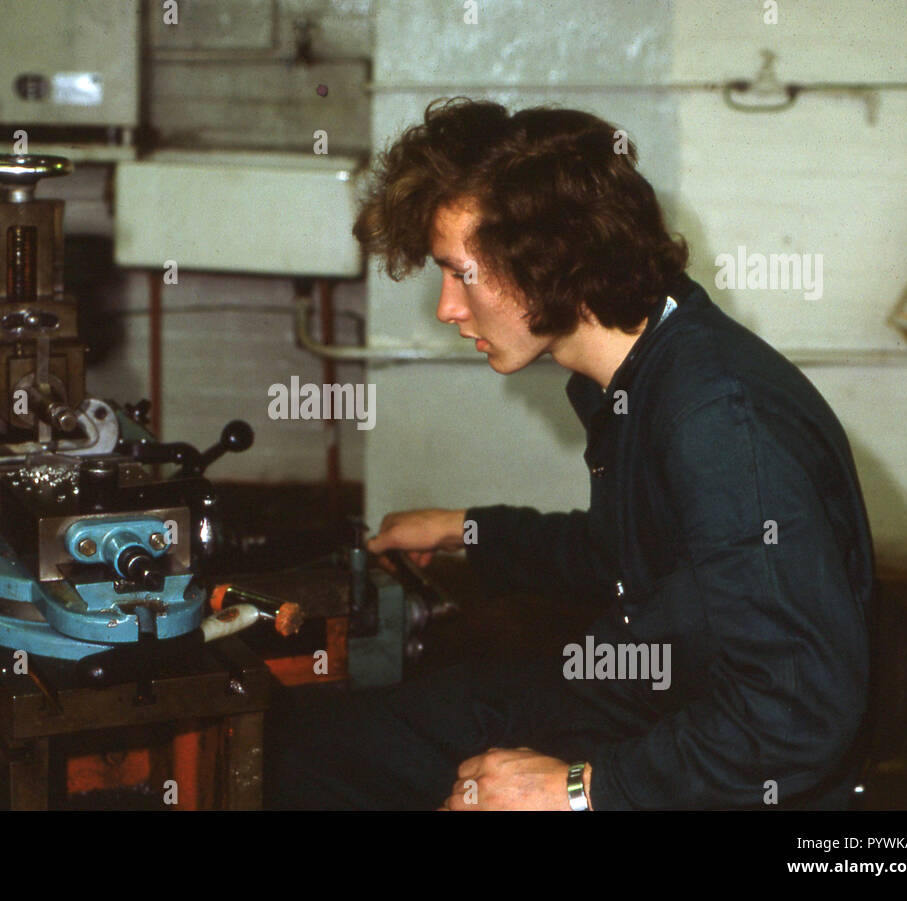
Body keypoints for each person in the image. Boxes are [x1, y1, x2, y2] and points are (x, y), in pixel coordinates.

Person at [264, 98, 875, 810]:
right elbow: (631, 553)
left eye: (461, 273)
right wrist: (467, 528)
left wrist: (579, 789)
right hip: (657, 696)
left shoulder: (718, 422)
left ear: (554, 262)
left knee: (317, 767)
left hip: (725, 762)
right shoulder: (636, 370)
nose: (447, 309)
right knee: (317, 745)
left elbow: (796, 714)